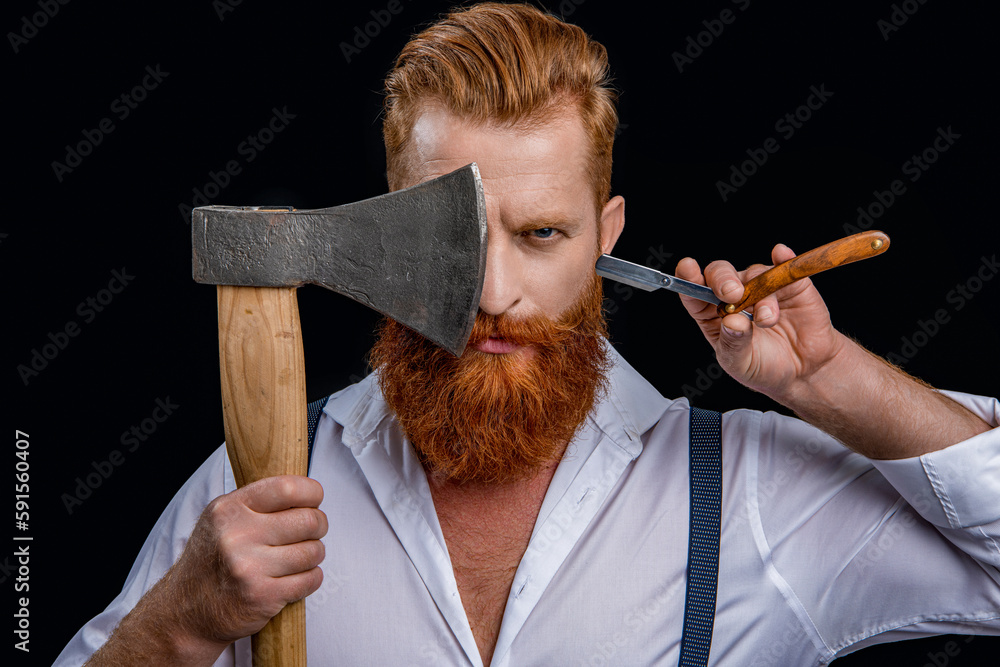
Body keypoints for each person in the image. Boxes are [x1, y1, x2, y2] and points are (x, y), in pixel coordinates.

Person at [57, 3, 1000, 666]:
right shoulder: (259, 482)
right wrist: (179, 626)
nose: (496, 293)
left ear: (608, 235)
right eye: (452, 238)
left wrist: (830, 384)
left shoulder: (747, 491)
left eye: (543, 234)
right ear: (387, 226)